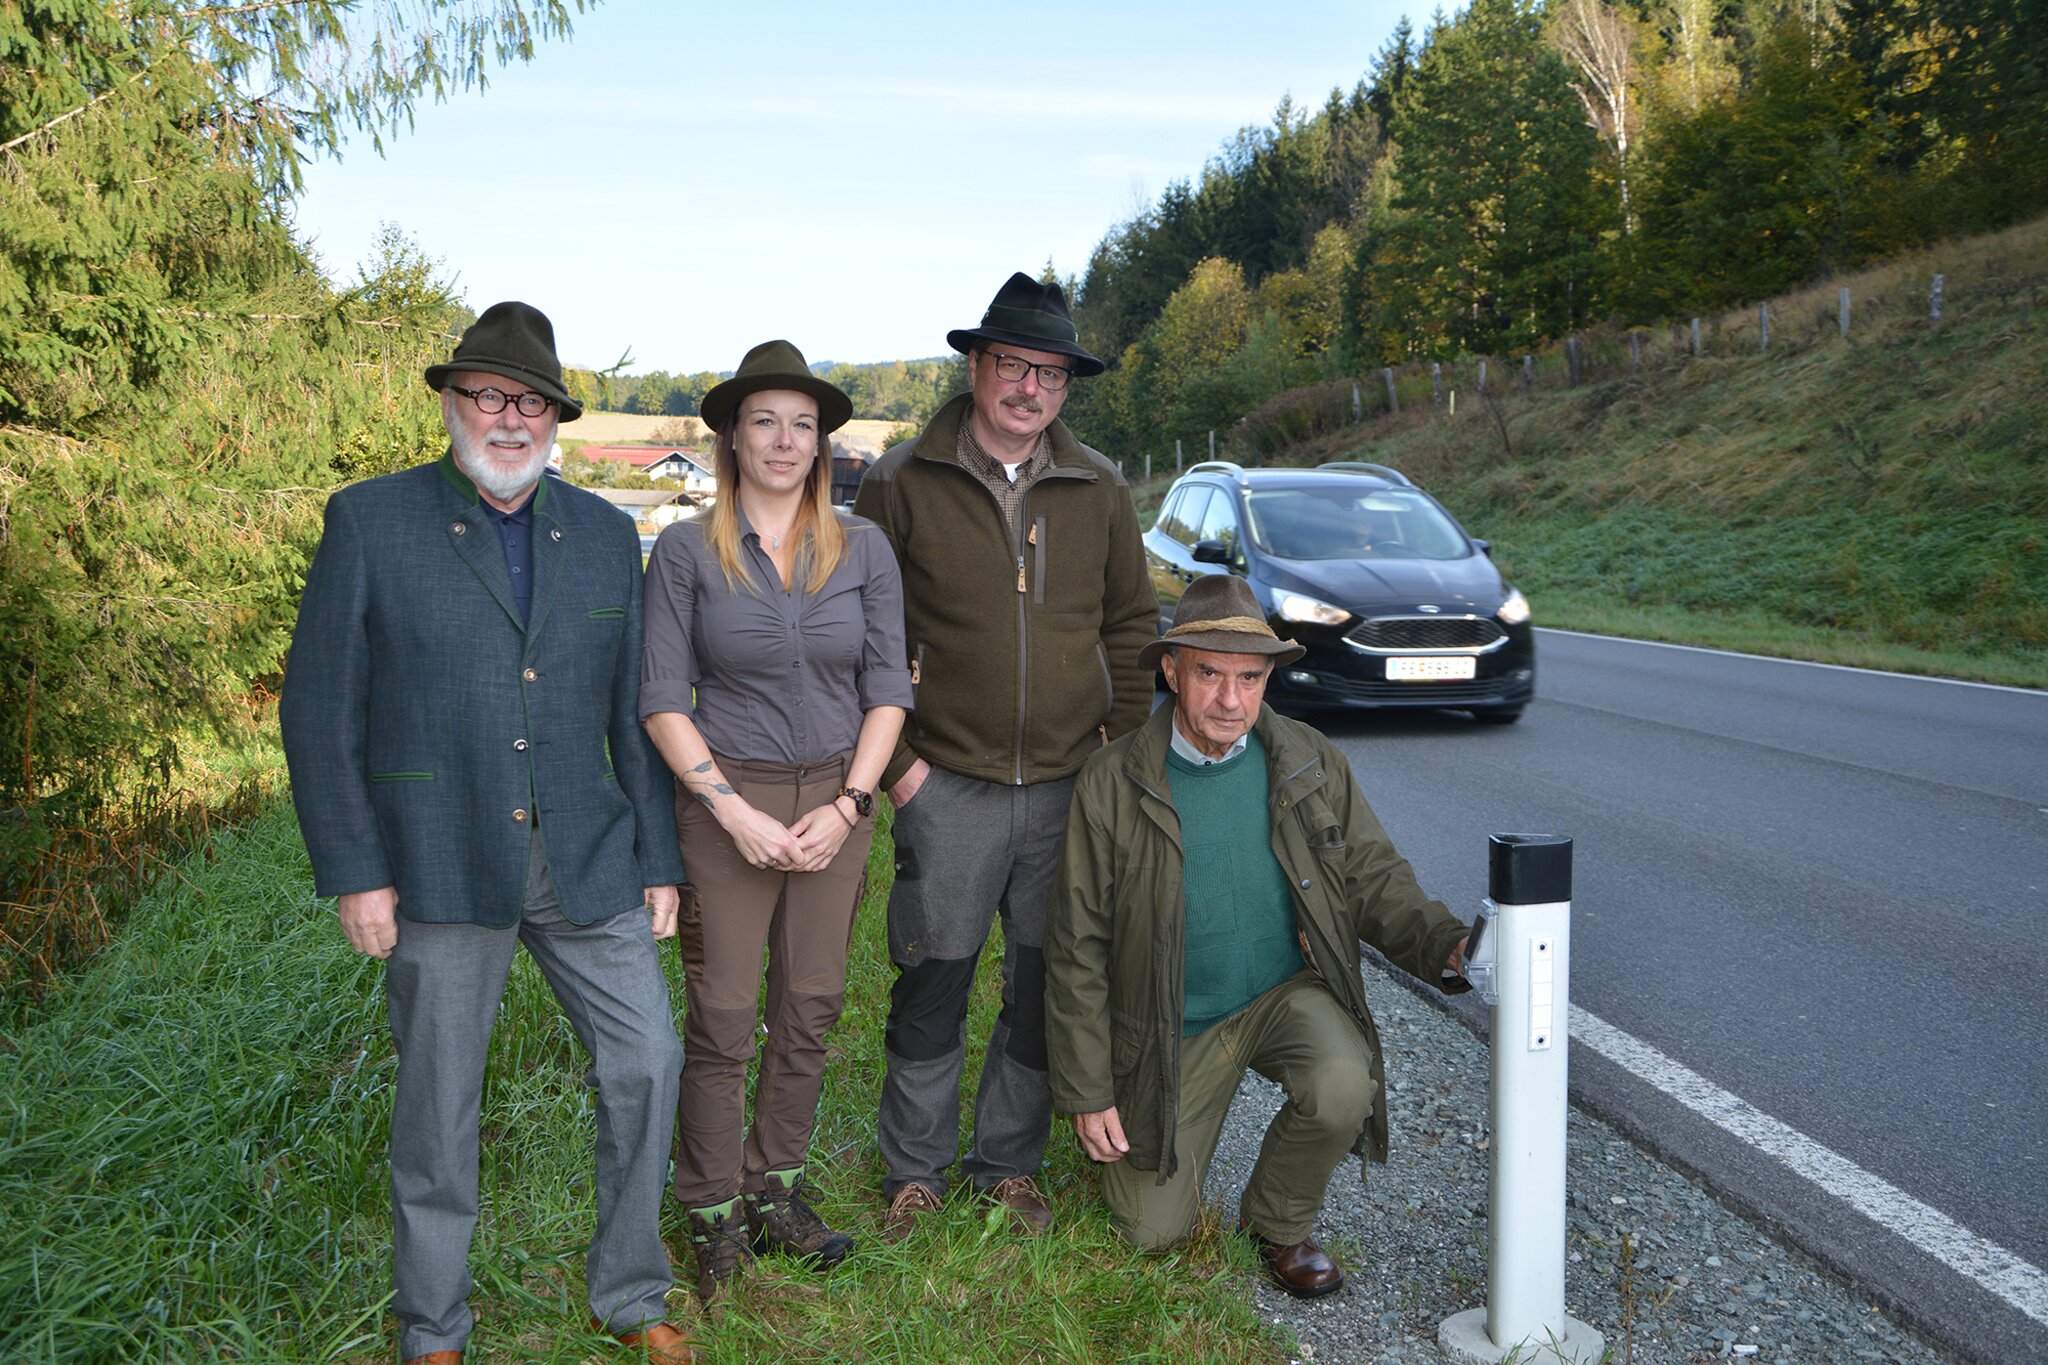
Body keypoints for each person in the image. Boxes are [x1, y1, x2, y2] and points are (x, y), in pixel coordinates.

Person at [280, 302, 694, 1364]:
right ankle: (432, 1327)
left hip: (585, 857)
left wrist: (657, 857)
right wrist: (356, 871)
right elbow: (319, 711)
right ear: (452, 403)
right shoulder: (370, 522)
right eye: (487, 395)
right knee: (437, 1107)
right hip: (438, 862)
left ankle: (633, 1295)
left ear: (555, 417)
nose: (508, 419)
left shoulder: (604, 535)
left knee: (647, 1061)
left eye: (530, 401)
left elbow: (632, 718)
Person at [1043, 574, 1473, 1298]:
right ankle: (1153, 1160)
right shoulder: (1113, 781)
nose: (1230, 699)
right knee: (1149, 1232)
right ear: (1171, 669)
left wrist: (1448, 947)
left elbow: (1372, 877)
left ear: (1269, 677)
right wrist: (1089, 1088)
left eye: (1250, 677)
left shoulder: (1307, 759)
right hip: (1168, 1024)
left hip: (1280, 993)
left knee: (1344, 1083)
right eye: (1209, 673)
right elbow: (1076, 945)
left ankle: (1277, 1222)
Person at [852, 272, 1156, 1238]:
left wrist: (1112, 753)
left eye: (1052, 374)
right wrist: (902, 769)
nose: (1031, 388)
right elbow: (865, 635)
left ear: (1067, 389)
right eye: (1015, 365)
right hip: (946, 783)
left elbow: (1131, 626)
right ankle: (914, 1168)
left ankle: (1007, 1162)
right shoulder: (900, 480)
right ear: (977, 367)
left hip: (1070, 785)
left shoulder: (1100, 486)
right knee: (933, 973)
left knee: (1043, 979)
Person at [639, 340, 910, 1299]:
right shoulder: (684, 551)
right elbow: (664, 697)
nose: (785, 440)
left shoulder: (862, 549)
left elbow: (887, 691)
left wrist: (851, 803)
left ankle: (775, 1189)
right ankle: (711, 1210)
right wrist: (730, 811)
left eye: (803, 423)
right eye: (765, 420)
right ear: (732, 437)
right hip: (726, 801)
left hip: (837, 799)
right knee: (722, 1016)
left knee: (810, 1005)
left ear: (824, 442)